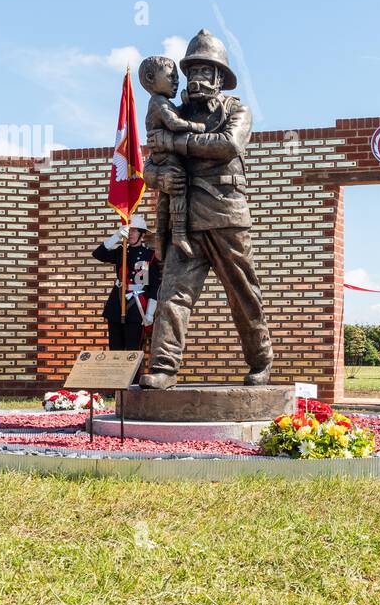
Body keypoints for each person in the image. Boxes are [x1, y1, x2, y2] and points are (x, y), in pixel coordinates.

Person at [140, 29, 273, 389]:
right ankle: (164, 368)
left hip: (227, 217)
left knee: (243, 294)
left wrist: (175, 142)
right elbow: (150, 165)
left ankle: (261, 361)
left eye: (205, 71)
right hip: (184, 220)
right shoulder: (173, 113)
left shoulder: (237, 111)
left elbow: (228, 144)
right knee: (173, 296)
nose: (197, 78)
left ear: (219, 77)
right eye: (192, 71)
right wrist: (160, 178)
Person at [137, 54, 204, 258]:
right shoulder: (158, 102)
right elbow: (174, 123)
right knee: (177, 187)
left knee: (164, 200)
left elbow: (173, 117)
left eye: (177, 77)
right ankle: (179, 233)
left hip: (164, 156)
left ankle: (160, 238)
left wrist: (185, 105)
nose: (176, 81)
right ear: (151, 78)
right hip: (166, 157)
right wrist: (196, 126)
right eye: (171, 76)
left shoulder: (163, 102)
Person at [92, 214, 161, 379]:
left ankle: (133, 385)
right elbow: (98, 254)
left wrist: (150, 313)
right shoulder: (120, 251)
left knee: (133, 350)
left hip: (137, 307)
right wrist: (116, 236)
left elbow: (154, 287)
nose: (130, 234)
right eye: (128, 230)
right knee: (115, 349)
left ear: (142, 234)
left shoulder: (149, 256)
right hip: (116, 305)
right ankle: (115, 384)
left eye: (134, 230)